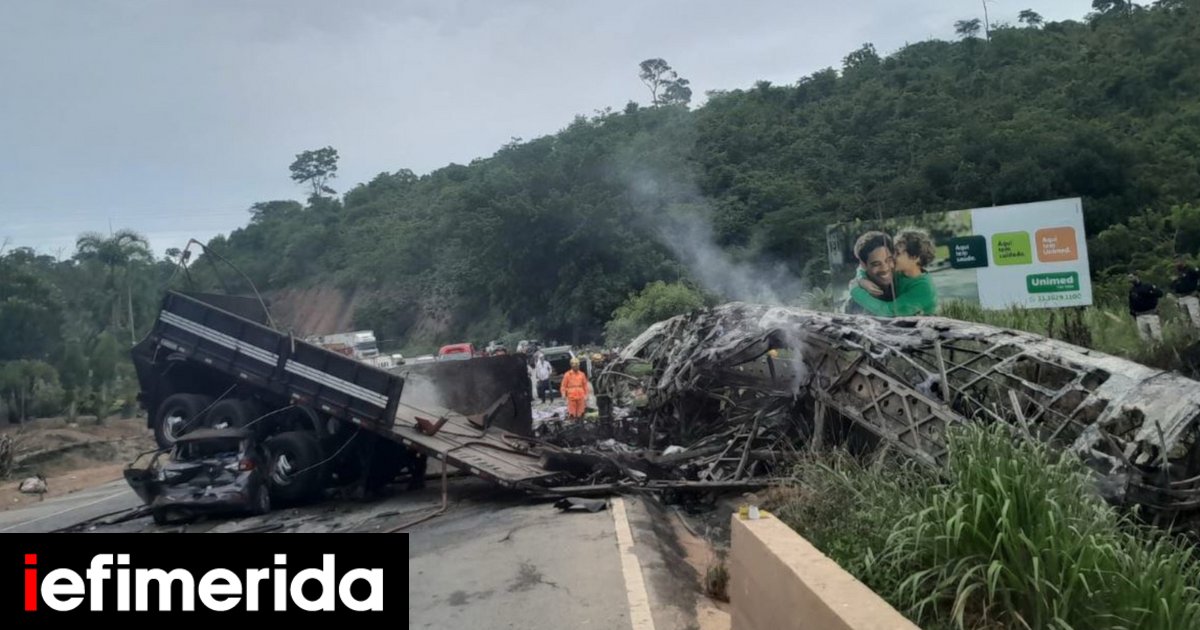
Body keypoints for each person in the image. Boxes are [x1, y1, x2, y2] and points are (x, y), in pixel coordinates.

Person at [850, 229, 939, 317]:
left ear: (914, 257)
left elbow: (888, 311)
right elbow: (862, 267)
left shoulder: (924, 288)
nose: (893, 257)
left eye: (898, 253)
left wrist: (855, 290)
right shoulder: (901, 273)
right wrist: (862, 279)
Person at [842, 231, 895, 314]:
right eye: (876, 264)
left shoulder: (905, 280)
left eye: (889, 260)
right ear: (863, 265)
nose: (885, 268)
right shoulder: (856, 303)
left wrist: (860, 279)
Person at [1128, 273, 1164, 342]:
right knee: (1145, 338)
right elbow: (1131, 303)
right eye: (1129, 278)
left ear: (1136, 276)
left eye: (1131, 277)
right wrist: (1133, 314)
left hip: (1151, 314)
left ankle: (1161, 350)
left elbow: (1160, 294)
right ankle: (1149, 351)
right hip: (1139, 316)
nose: (1130, 279)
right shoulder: (1132, 290)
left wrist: (1151, 292)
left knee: (1156, 336)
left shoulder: (1147, 286)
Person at [1171, 257, 1200, 329]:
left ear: (1183, 262)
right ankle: (1190, 335)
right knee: (1185, 319)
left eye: (1178, 262)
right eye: (1175, 262)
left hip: (1191, 296)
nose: (1176, 264)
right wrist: (1174, 281)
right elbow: (1173, 286)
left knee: (1194, 316)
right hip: (1181, 297)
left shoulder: (1190, 270)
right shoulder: (1177, 273)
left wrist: (1197, 290)